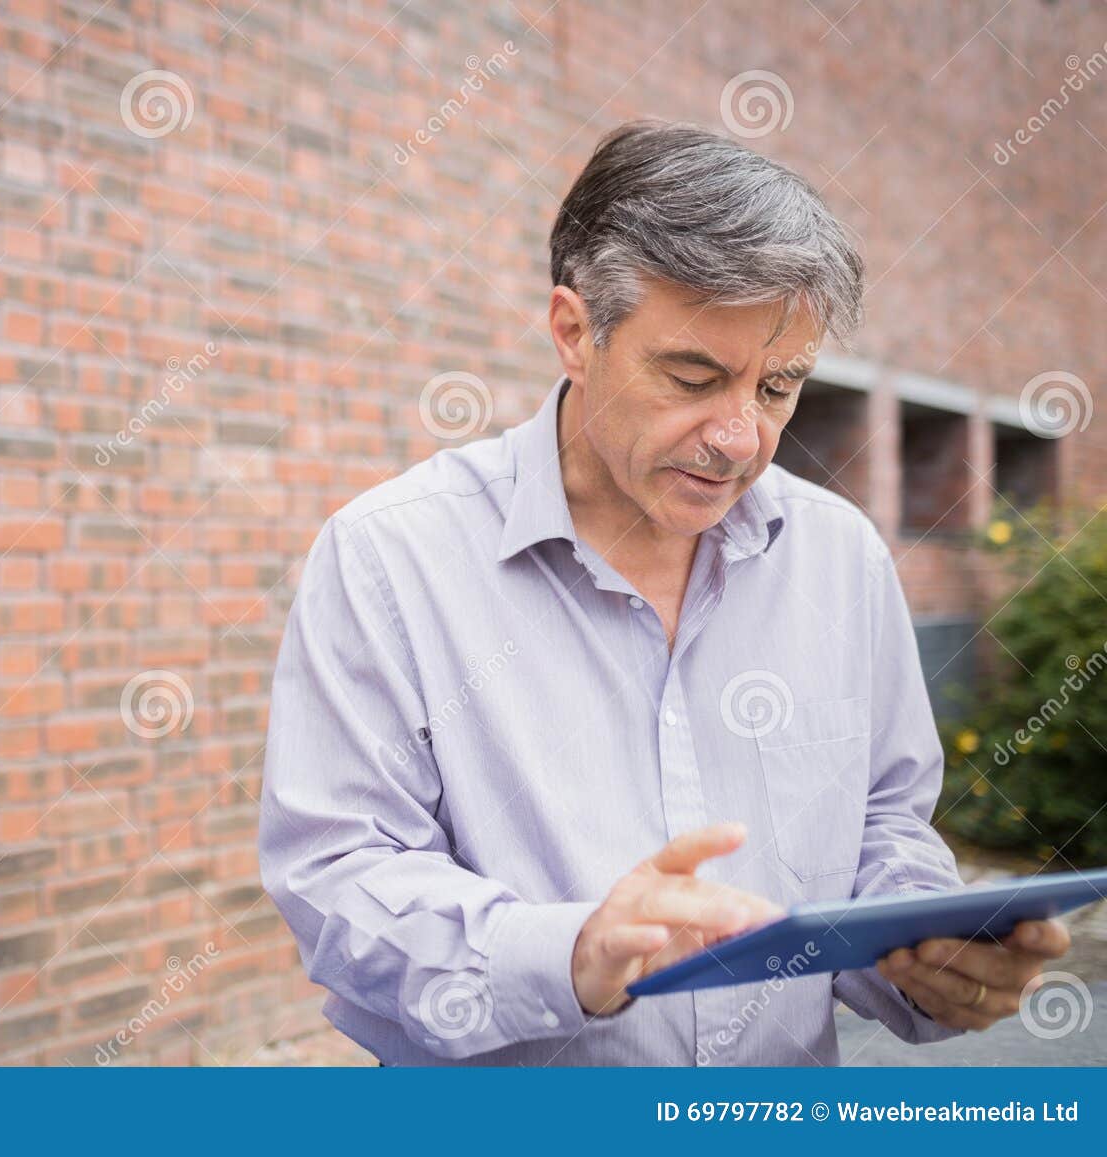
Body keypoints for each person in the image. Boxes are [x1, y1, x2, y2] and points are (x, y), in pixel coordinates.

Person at [258, 120, 1070, 1066]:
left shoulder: (842, 557)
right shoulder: (391, 557)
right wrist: (570, 955)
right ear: (574, 332)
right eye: (694, 376)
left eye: (778, 387)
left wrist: (924, 950)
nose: (739, 436)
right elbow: (340, 878)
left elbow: (884, 822)